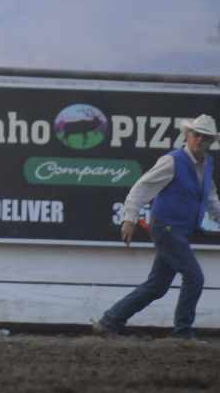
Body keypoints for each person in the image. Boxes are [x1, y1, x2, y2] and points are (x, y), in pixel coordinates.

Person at [92, 114, 220, 340]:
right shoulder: (172, 161)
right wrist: (130, 217)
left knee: (157, 286)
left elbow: (210, 197)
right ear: (187, 135)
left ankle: (109, 322)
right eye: (196, 134)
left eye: (205, 136)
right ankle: (183, 334)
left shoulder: (206, 164)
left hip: (177, 231)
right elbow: (142, 187)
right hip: (167, 228)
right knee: (194, 278)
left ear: (211, 141)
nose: (200, 139)